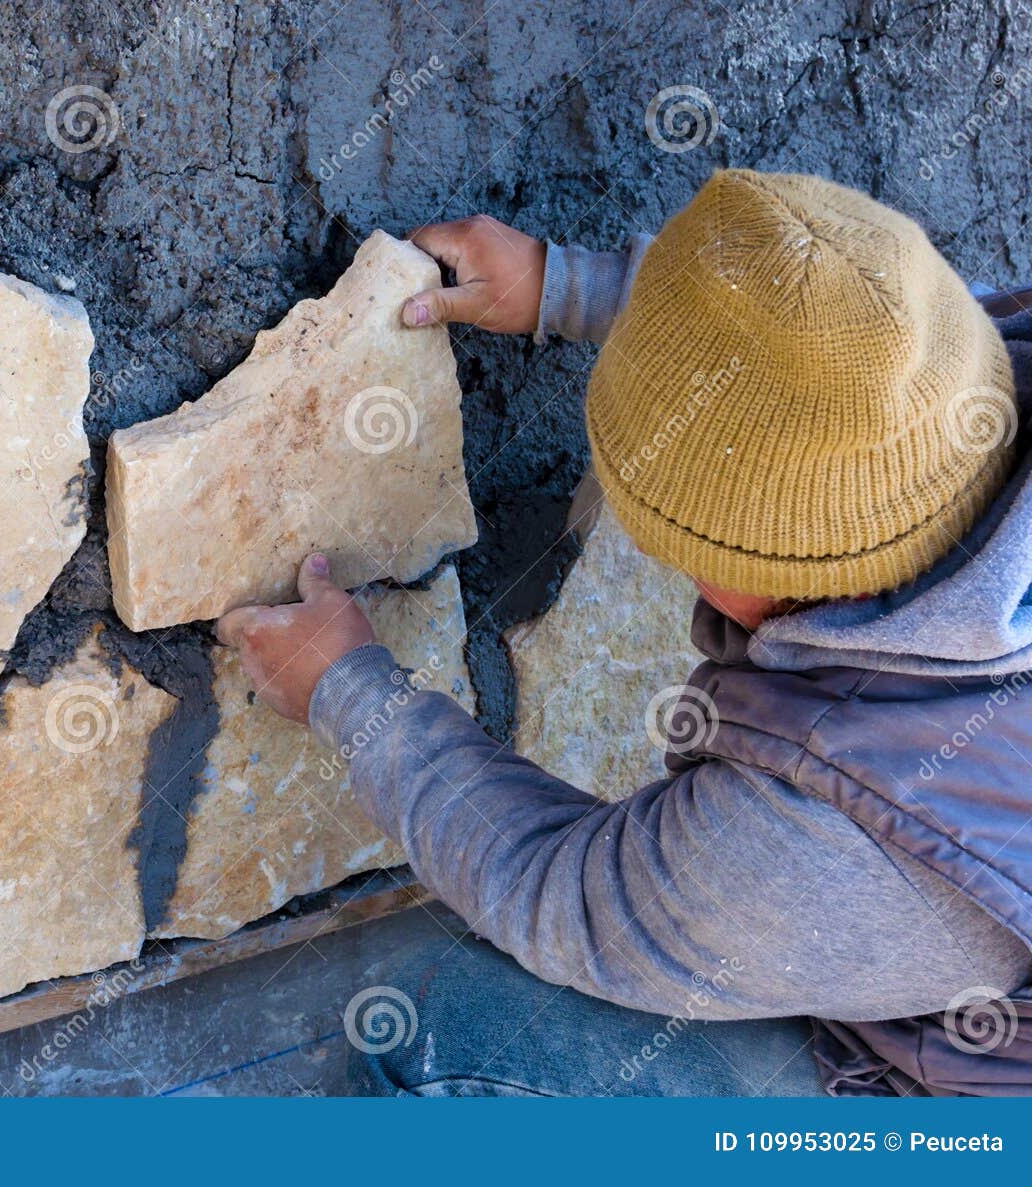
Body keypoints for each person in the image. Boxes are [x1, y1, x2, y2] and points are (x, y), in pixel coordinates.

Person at [215, 170, 1032, 1097]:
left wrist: (353, 694)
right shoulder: (971, 385)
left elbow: (560, 891)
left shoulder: (828, 839)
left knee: (447, 1036)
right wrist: (568, 285)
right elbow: (845, 360)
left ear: (747, 568)